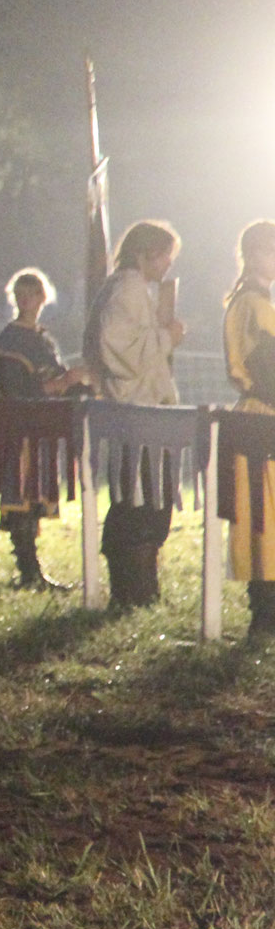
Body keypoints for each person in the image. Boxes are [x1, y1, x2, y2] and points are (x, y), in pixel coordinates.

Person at [83, 219, 187, 609]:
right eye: (164, 256)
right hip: (138, 416)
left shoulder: (130, 288)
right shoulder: (127, 288)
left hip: (141, 416)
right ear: (145, 254)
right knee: (141, 501)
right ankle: (132, 590)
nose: (168, 264)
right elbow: (116, 348)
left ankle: (140, 588)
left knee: (144, 499)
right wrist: (166, 337)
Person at [0, 268, 90, 589]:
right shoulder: (10, 339)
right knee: (21, 494)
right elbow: (15, 387)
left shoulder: (42, 339)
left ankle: (34, 573)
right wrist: (59, 384)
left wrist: (81, 383)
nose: (25, 299)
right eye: (19, 293)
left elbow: (59, 378)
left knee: (35, 495)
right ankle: (28, 570)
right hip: (21, 427)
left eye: (31, 293)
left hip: (43, 427)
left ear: (42, 297)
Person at [221, 219, 275, 639]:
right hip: (264, 417)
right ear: (254, 254)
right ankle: (264, 616)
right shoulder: (254, 305)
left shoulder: (250, 301)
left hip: (258, 414)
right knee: (264, 518)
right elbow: (266, 368)